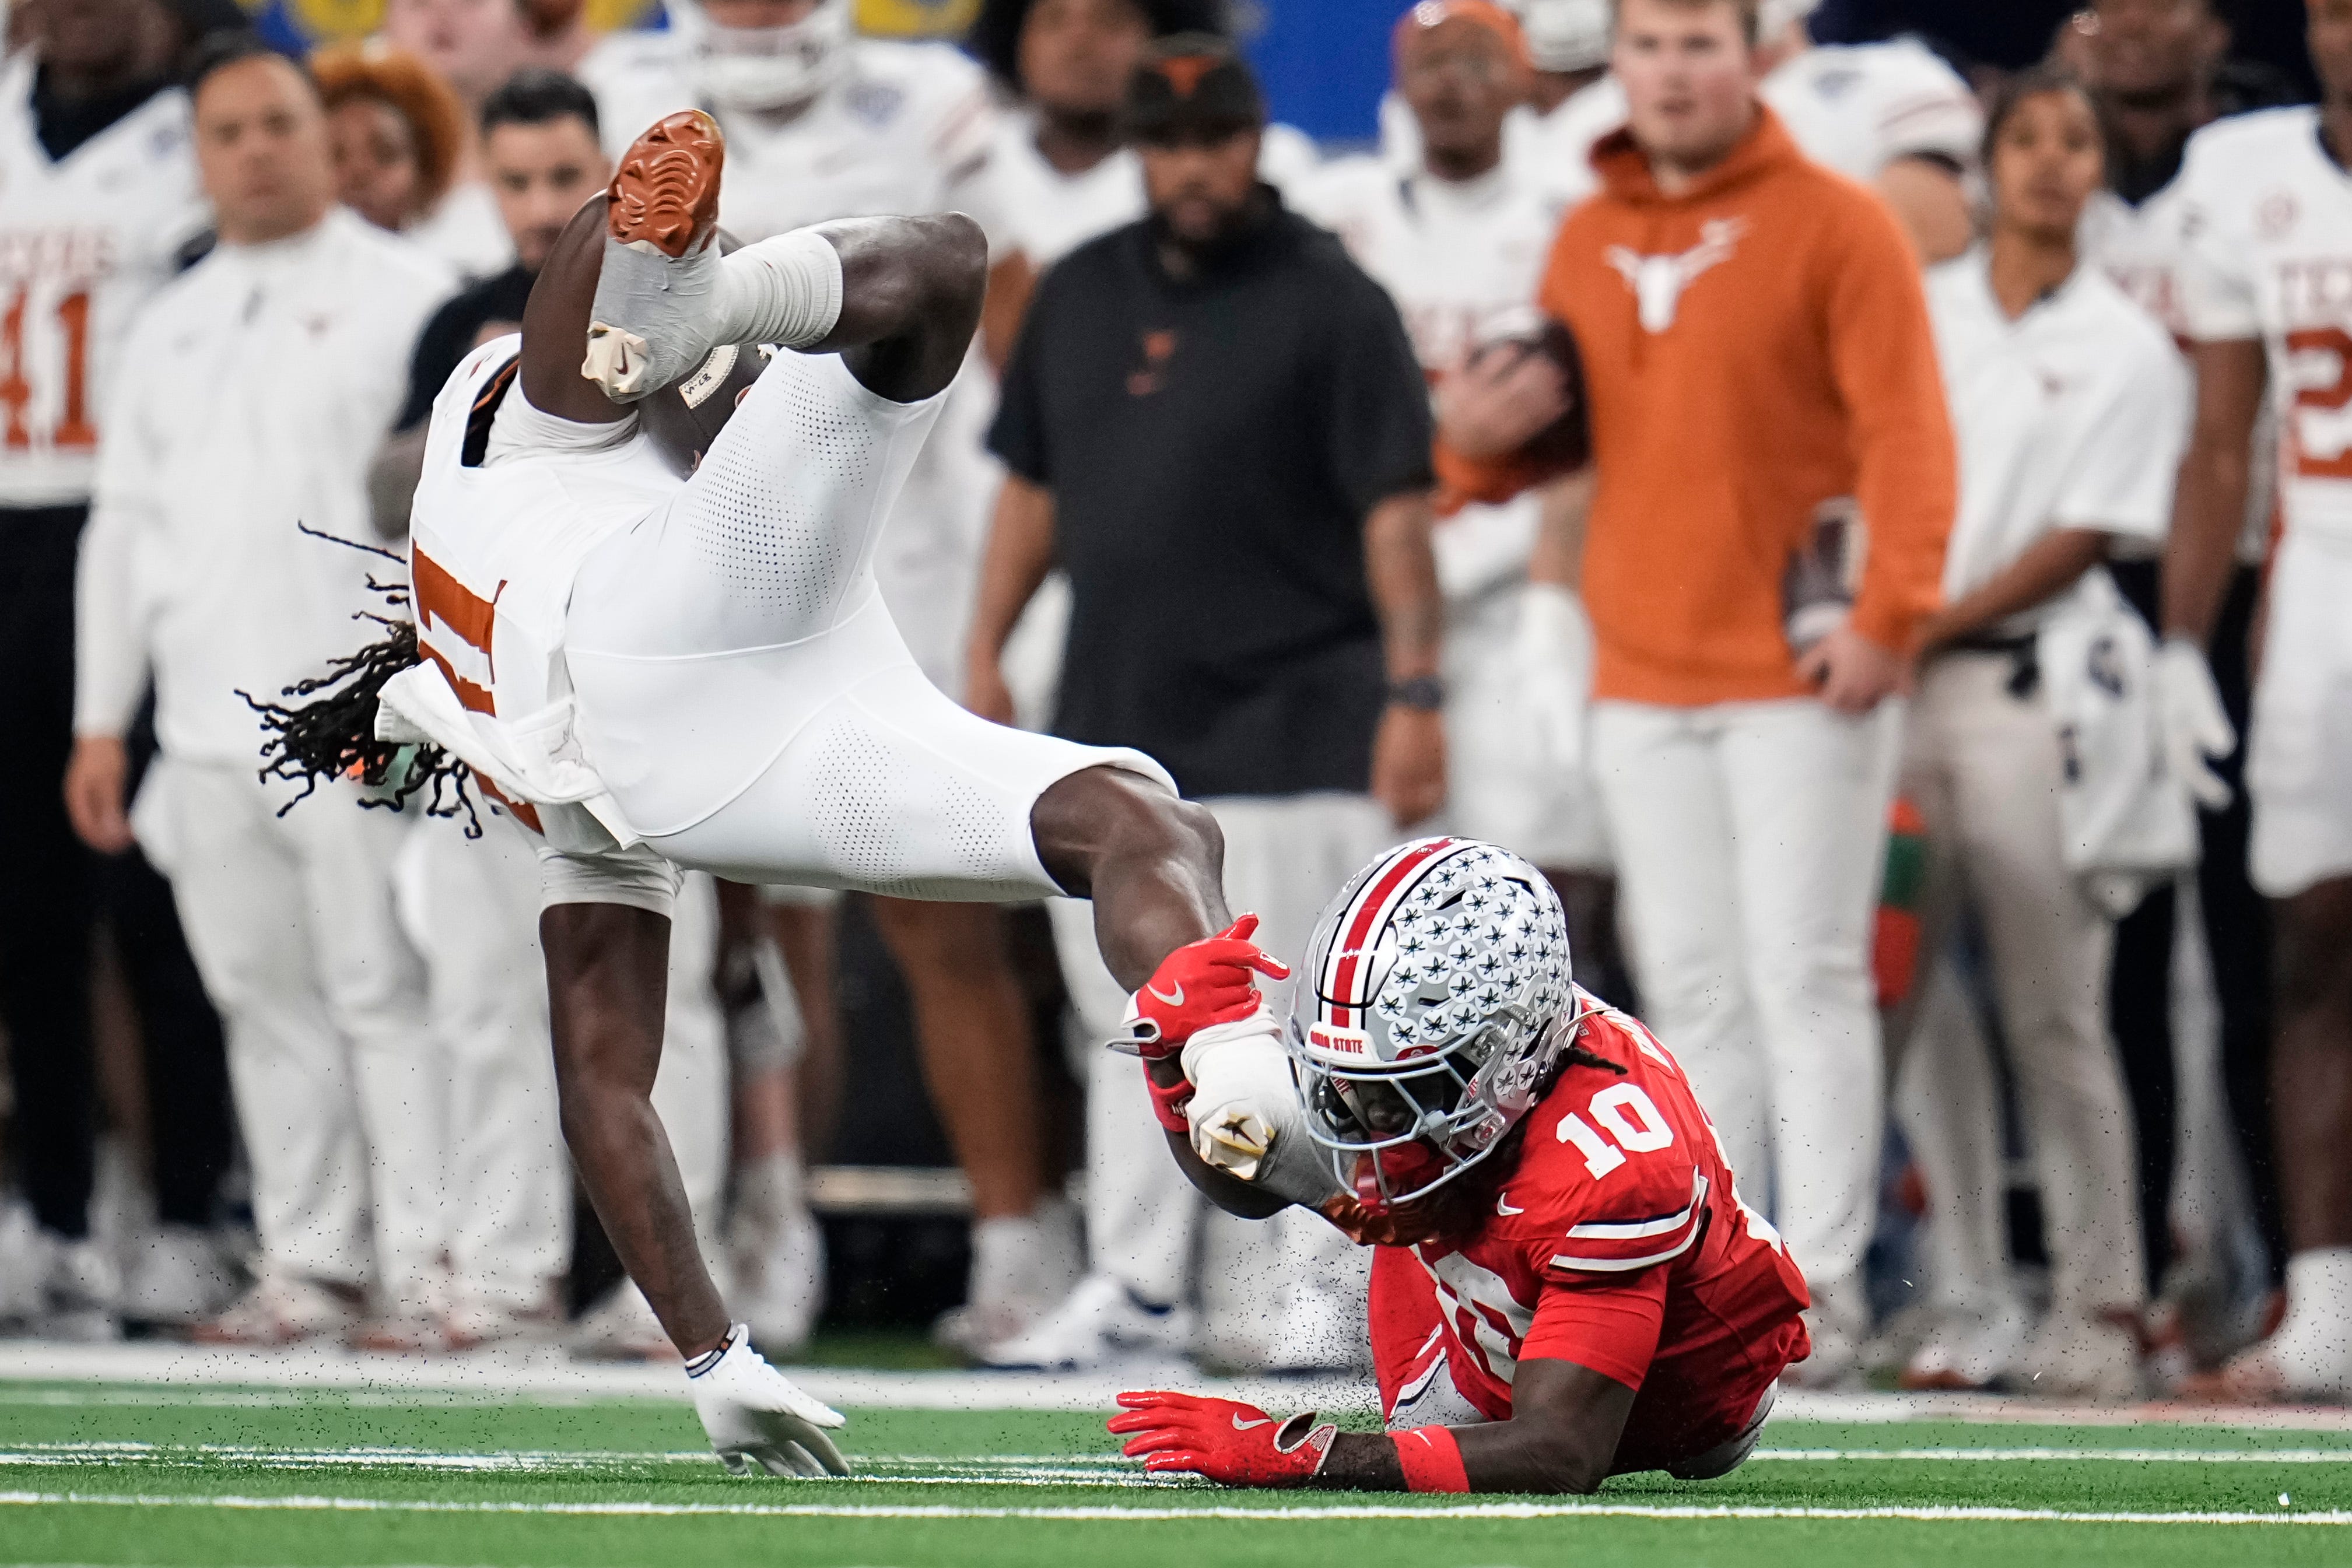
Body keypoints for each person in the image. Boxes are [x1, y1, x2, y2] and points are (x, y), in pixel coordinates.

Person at [264, 107, 1331, 1474]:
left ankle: (1224, 1065)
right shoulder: (502, 420)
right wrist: (693, 284)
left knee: (1137, 816)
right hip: (686, 628)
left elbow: (606, 1086)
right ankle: (1243, 1072)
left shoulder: (519, 736)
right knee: (941, 261)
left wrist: (716, 1355)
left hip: (734, 754)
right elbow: (586, 323)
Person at [1434, 0, 1954, 1385]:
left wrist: (1891, 612)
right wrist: (1473, 459)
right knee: (1695, 989)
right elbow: (1546, 443)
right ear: (1619, 64)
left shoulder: (1838, 221)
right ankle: (1725, 1276)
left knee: (1810, 972)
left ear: (1753, 57)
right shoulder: (1585, 234)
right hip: (1638, 662)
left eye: (1697, 44)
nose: (1671, 72)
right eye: (1649, 45)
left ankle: (1827, 1283)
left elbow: (1910, 430)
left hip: (1799, 665)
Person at [963, 38, 1446, 1373]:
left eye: (1216, 140)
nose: (1193, 167)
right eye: (1168, 144)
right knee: (1128, 1023)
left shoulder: (1335, 297)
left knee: (1299, 1030)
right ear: (1138, 151)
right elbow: (1033, 493)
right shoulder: (1078, 293)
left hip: (1300, 716)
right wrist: (989, 650)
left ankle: (1315, 1284)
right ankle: (1136, 1282)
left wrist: (1415, 690)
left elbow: (1396, 514)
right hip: (1121, 728)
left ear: (1255, 142)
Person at [577, 0, 1021, 1352]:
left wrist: (999, 594)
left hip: (908, 539)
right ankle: (772, 1224)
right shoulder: (623, 84)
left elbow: (1001, 340)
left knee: (940, 906)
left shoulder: (927, 101)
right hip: (716, 544)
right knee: (761, 934)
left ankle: (1016, 1238)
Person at [65, 35, 454, 1344]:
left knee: (385, 985)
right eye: (226, 132)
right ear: (198, 153)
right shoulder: (165, 322)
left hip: (365, 721)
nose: (256, 150)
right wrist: (98, 721)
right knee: (261, 997)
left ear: (319, 131)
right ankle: (309, 1260)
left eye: (278, 123)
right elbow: (123, 528)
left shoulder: (417, 295)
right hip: (200, 719)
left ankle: (427, 1262)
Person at [1109, 839, 1810, 1494]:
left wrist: (1307, 1452)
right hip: (1489, 1239)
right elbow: (1251, 1186)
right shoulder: (1464, 1063)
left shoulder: (1606, 1168)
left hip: (1687, 1396)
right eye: (1352, 1079)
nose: (1365, 1119)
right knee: (1263, 1118)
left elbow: (1561, 1451)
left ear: (1508, 1057)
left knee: (1434, 1447)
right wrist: (1175, 1061)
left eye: (1405, 1088)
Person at [1892, 69, 2189, 1398]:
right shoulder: (1921, 312)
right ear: (1988, 162)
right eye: (2030, 140)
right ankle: (1952, 1283)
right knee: (1892, 994)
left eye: (2078, 142)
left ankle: (2104, 1298)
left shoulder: (2128, 344)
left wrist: (1922, 617)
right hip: (1893, 694)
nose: (2055, 164)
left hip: (2025, 691)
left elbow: (2083, 536)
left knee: (2055, 1010)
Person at [1298, 2, 1625, 998]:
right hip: (1372, 600)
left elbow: (1604, 423)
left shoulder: (1573, 213)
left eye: (1479, 61)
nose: (1453, 84)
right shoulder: (1335, 214)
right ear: (1397, 80)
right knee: (1388, 911)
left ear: (1525, 77)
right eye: (1431, 63)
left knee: (1553, 885)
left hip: (1524, 586)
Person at [2074, 0, 2298, 1365]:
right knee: (2115, 963)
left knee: (2270, 946)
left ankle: (2291, 1268)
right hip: (2094, 590)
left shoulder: (2253, 175)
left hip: (2266, 585)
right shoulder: (2040, 185)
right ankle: (2139, 1271)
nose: (2132, 28)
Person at [0, 0, 213, 1336]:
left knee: (153, 899)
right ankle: (60, 1208)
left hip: (133, 521)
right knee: (24, 909)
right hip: (5, 521)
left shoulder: (202, 127)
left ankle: (190, 1204)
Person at [2164, 0, 2352, 1402]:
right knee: (2307, 946)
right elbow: (2222, 437)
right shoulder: (2248, 173)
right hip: (2322, 596)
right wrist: (2182, 639)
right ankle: (2327, 1302)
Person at [378, 0, 534, 276]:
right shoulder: (332, 167)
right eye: (419, 3)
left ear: (524, 26)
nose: (443, 12)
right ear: (385, 26)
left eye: (470, 2)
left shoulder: (573, 157)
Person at [313, 43, 467, 241]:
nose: (359, 172)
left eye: (386, 154)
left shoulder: (440, 272)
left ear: (425, 176)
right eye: (335, 155)